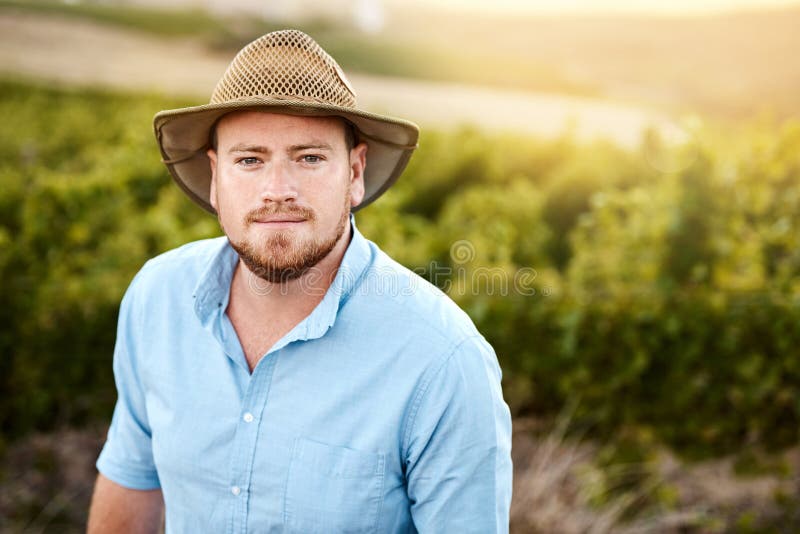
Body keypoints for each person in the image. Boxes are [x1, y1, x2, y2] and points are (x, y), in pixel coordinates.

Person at [87, 29, 512, 533]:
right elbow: (131, 481)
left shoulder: (443, 361)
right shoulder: (156, 299)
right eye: (249, 160)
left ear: (355, 173)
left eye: (309, 157)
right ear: (216, 176)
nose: (277, 191)